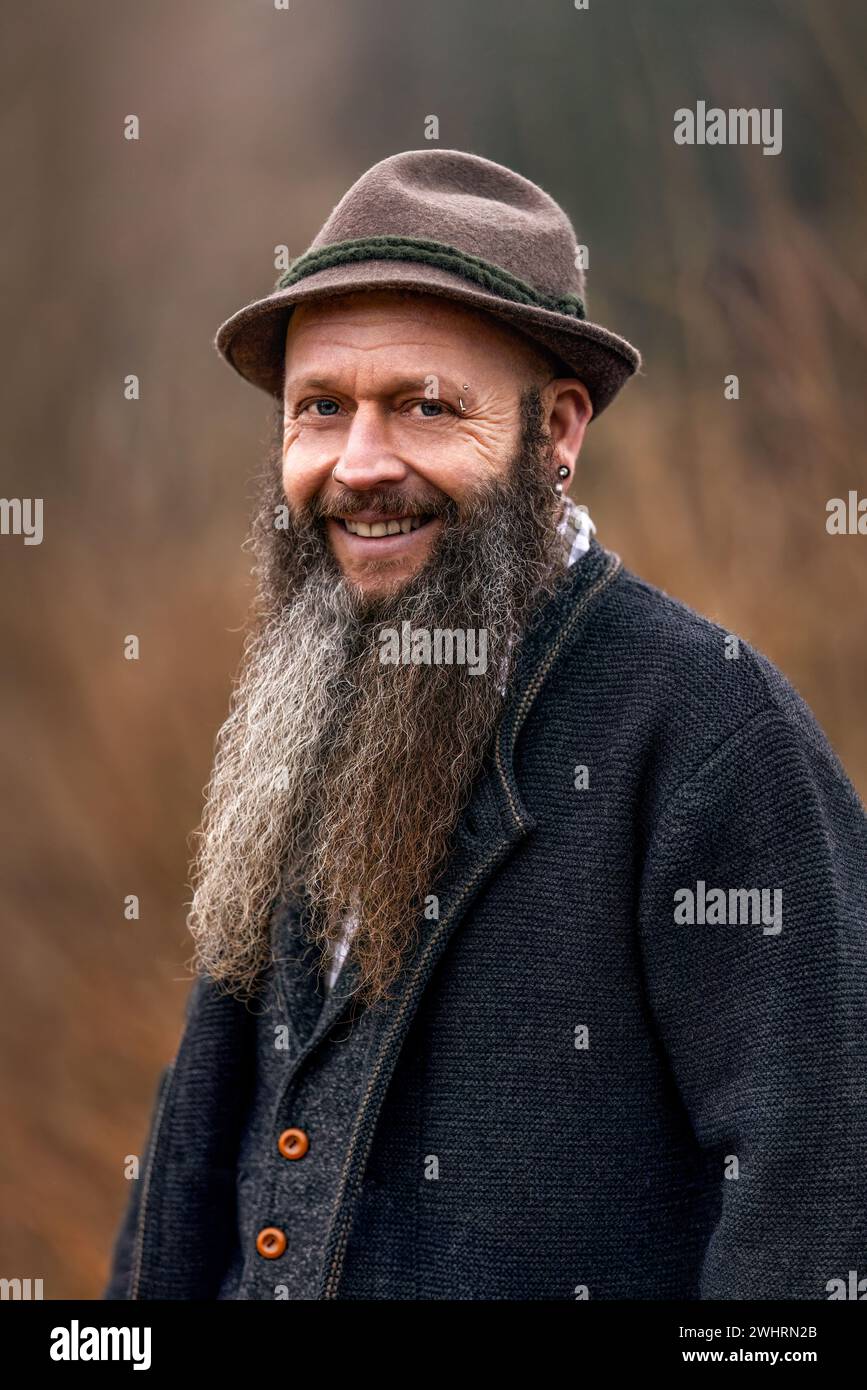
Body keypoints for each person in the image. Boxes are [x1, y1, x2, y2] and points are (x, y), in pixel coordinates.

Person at [104, 148, 867, 1301]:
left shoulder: (712, 733)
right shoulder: (306, 708)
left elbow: (819, 1206)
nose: (359, 464)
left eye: (424, 405)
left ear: (556, 431)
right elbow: (198, 1168)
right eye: (320, 409)